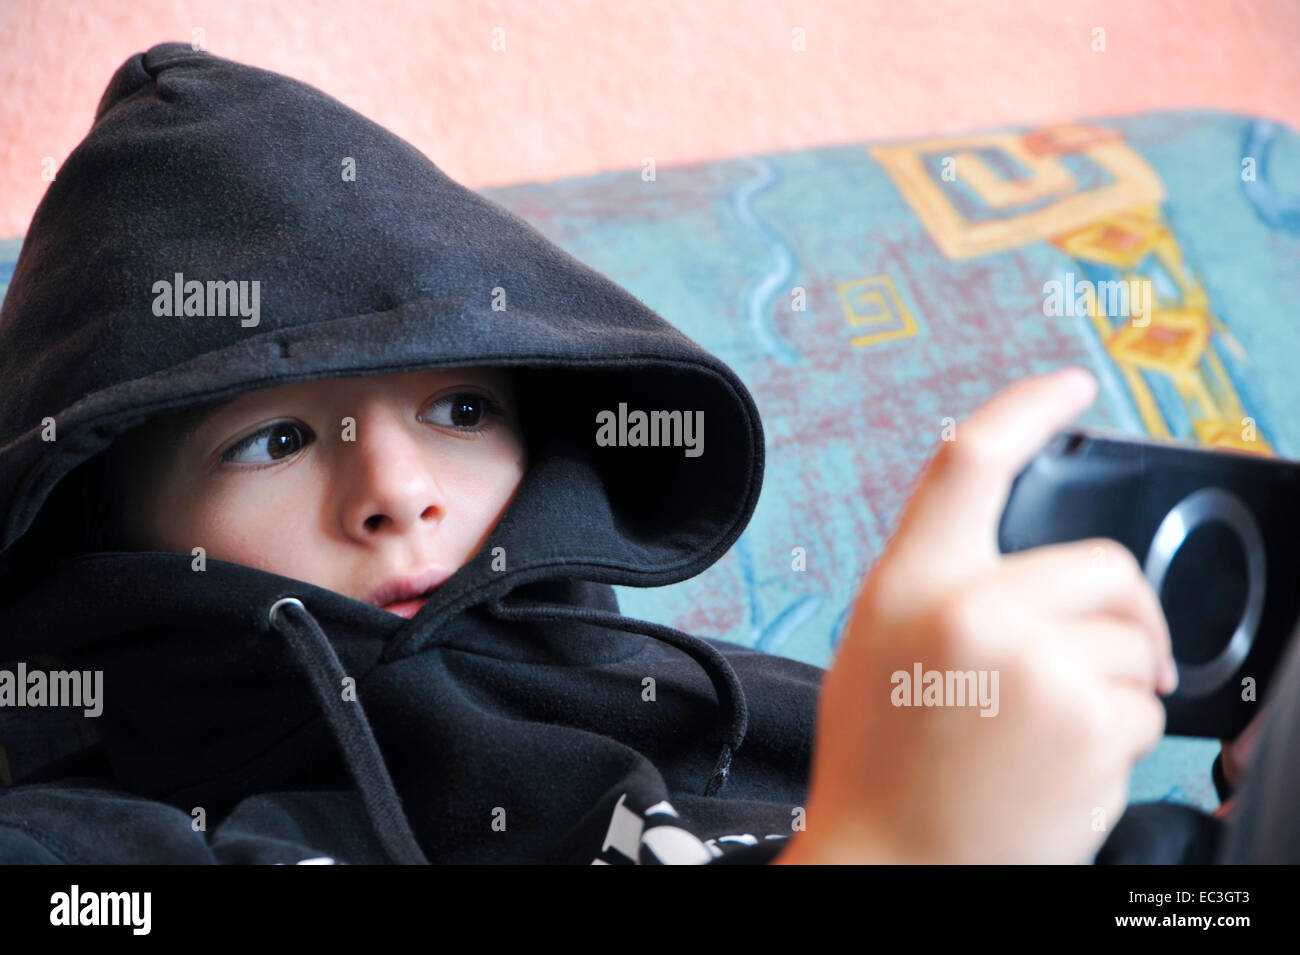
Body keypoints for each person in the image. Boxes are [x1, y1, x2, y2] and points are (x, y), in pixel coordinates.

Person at [0, 42, 1269, 865]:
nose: (397, 492)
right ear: (105, 535)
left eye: (457, 411)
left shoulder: (742, 705)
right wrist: (888, 847)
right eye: (275, 437)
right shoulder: (98, 853)